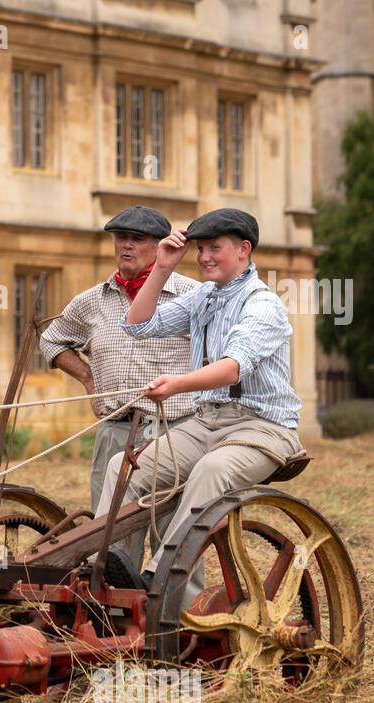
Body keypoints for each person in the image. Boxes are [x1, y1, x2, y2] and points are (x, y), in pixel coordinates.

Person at [93, 208, 303, 589]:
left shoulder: (263, 304)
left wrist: (177, 384)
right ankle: (105, 568)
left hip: (262, 429)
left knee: (211, 470)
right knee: (123, 469)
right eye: (200, 248)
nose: (204, 257)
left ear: (243, 249)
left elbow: (233, 368)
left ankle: (160, 578)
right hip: (207, 421)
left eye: (214, 248)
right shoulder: (204, 297)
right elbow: (138, 326)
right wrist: (161, 268)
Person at [39, 206, 201, 577]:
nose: (126, 246)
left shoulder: (193, 296)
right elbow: (51, 341)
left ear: (162, 246)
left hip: (175, 432)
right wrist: (88, 377)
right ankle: (114, 625)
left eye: (137, 239)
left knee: (174, 539)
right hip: (115, 431)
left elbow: (223, 355)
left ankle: (177, 626)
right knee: (110, 542)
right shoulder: (92, 300)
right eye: (120, 238)